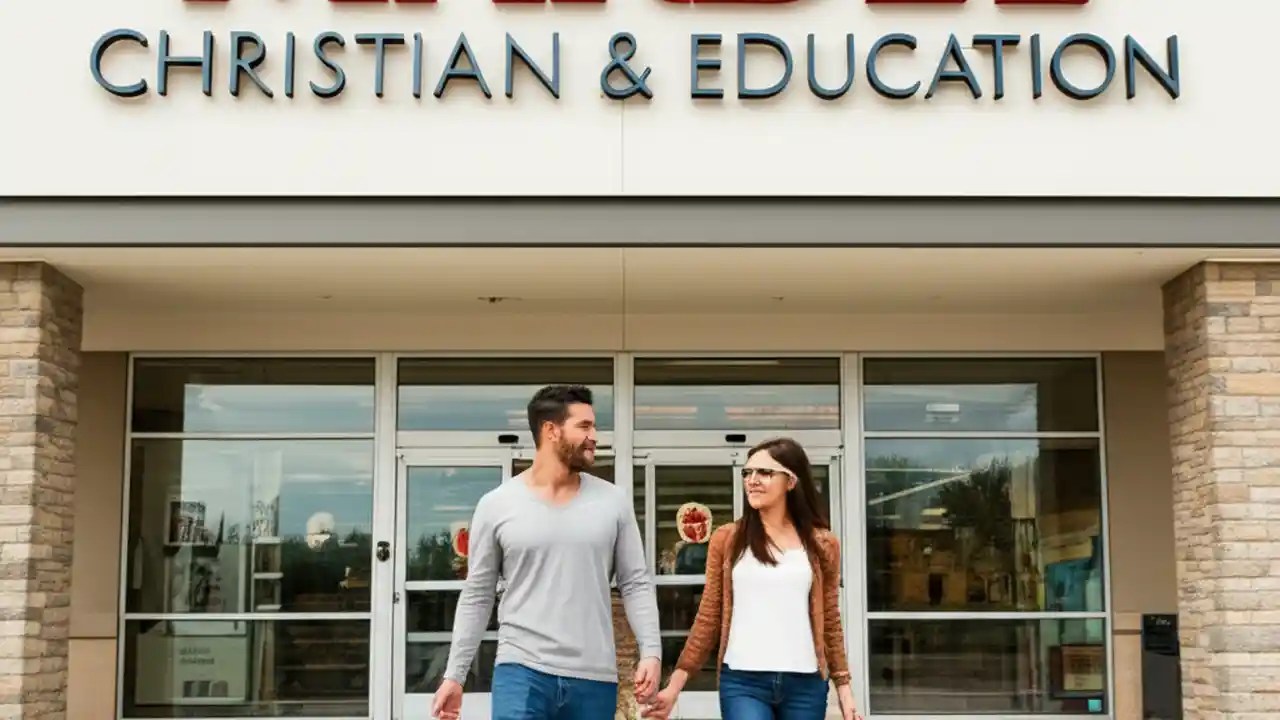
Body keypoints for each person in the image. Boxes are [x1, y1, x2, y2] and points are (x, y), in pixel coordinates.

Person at [432, 384, 662, 720]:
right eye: (584, 426)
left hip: (593, 676)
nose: (595, 436)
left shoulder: (614, 502)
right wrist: (454, 675)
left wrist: (652, 652)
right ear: (551, 430)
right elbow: (478, 595)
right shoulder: (496, 505)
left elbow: (635, 583)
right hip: (521, 671)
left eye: (594, 426)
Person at [644, 438, 860, 720]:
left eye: (765, 473)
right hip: (743, 682)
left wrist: (844, 687)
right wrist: (674, 685)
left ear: (791, 481)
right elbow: (709, 616)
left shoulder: (823, 544)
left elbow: (829, 618)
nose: (752, 480)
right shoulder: (729, 539)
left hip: (806, 684)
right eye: (748, 473)